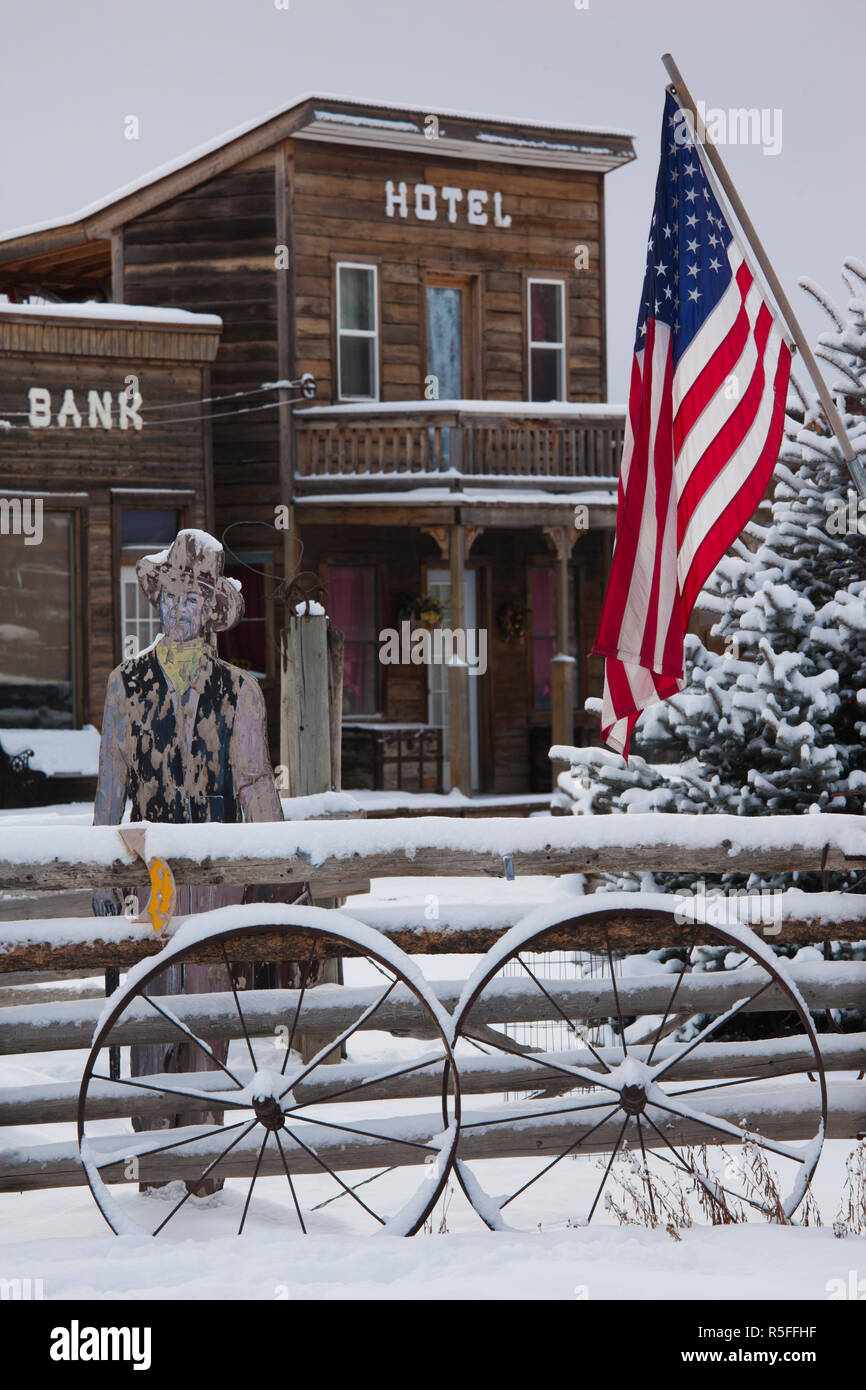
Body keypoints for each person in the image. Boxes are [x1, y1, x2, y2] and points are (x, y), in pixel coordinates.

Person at [92, 528, 305, 1192]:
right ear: (157, 599)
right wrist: (100, 873)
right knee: (153, 1005)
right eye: (172, 595)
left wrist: (281, 874)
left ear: (213, 612)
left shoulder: (241, 691)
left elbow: (255, 787)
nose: (179, 610)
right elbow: (109, 790)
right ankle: (153, 1152)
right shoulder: (126, 685)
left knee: (212, 1007)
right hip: (151, 870)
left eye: (195, 599)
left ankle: (205, 1155)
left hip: (216, 875)